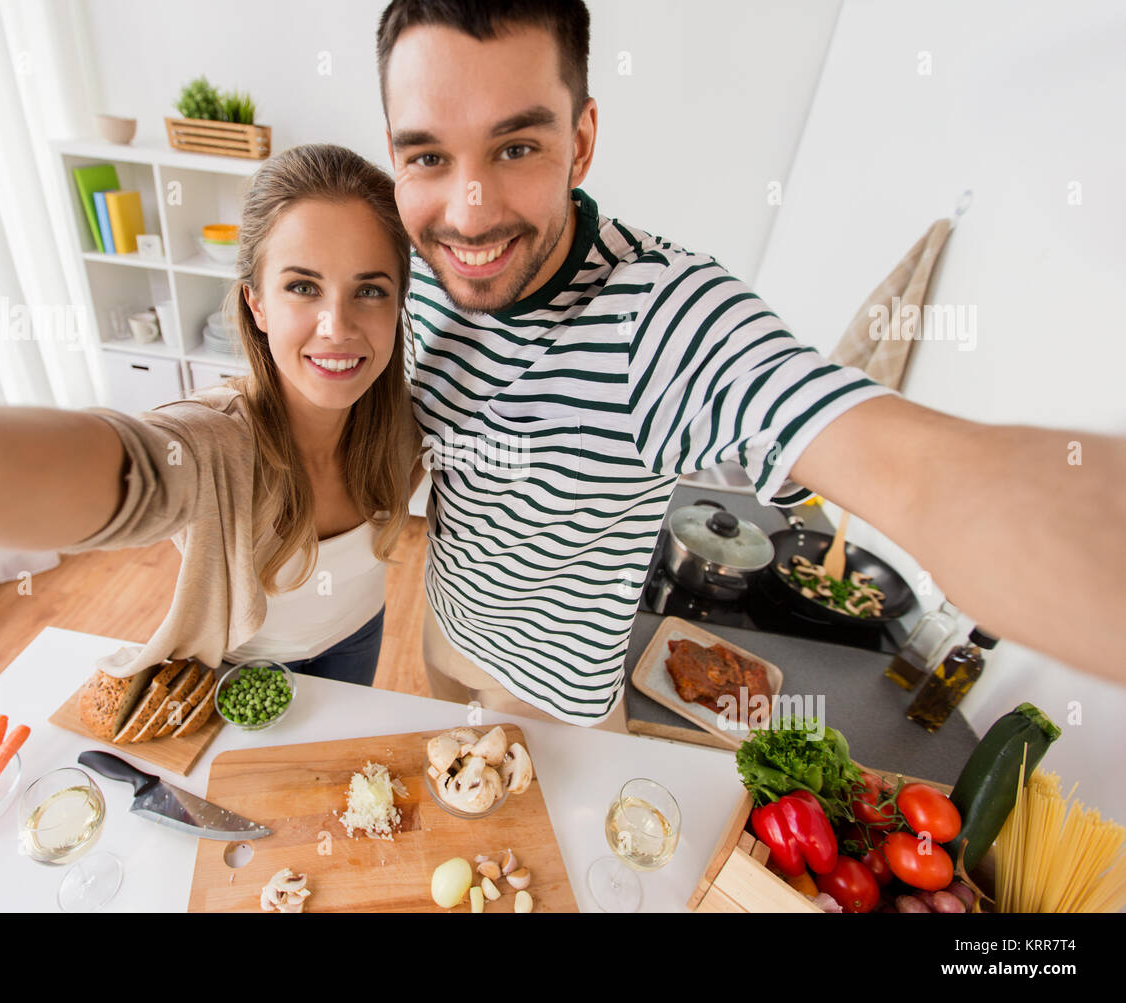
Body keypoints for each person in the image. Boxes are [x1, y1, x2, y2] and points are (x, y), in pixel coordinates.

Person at [373, 0, 1126, 729]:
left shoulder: (664, 318)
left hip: (554, 707)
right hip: (443, 636)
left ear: (582, 141)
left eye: (515, 147)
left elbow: (922, 477)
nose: (468, 214)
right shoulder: (413, 270)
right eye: (430, 156)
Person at [0, 143, 423, 687]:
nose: (337, 327)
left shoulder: (405, 427)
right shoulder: (215, 442)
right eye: (302, 287)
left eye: (369, 290)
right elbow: (124, 469)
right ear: (257, 302)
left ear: (399, 304)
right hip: (245, 669)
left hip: (359, 633)